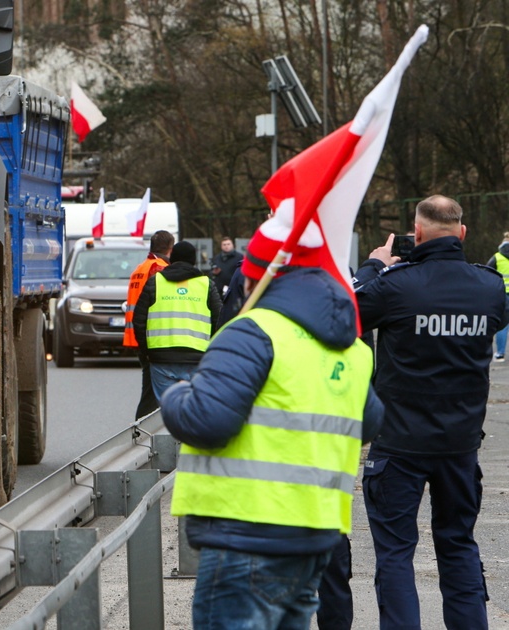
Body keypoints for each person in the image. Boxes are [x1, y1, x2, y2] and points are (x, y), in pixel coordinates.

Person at [161, 215, 384, 630]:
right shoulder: (351, 347)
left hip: (244, 536)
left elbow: (205, 420)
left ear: (255, 278)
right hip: (315, 537)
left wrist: (176, 394)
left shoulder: (251, 332)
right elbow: (369, 422)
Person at [353, 195, 506, 629]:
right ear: (463, 233)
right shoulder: (489, 287)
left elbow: (346, 311)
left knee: (395, 552)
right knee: (458, 545)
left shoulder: (396, 284)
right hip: (460, 445)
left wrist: (374, 265)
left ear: (416, 234)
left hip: (399, 443)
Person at [133, 240, 221, 399]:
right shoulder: (206, 285)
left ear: (171, 259)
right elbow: (220, 320)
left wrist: (147, 351)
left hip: (161, 358)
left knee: (165, 408)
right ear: (194, 260)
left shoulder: (155, 282)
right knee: (194, 407)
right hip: (197, 358)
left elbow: (139, 320)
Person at [123, 229, 174, 419]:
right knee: (152, 393)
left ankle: (144, 427)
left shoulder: (140, 268)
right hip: (153, 336)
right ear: (170, 249)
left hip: (139, 336)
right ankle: (142, 428)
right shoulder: (159, 268)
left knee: (150, 389)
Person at [486, 231, 509, 361]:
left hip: (503, 294)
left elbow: (487, 273)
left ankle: (500, 353)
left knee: (503, 324)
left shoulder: (497, 257)